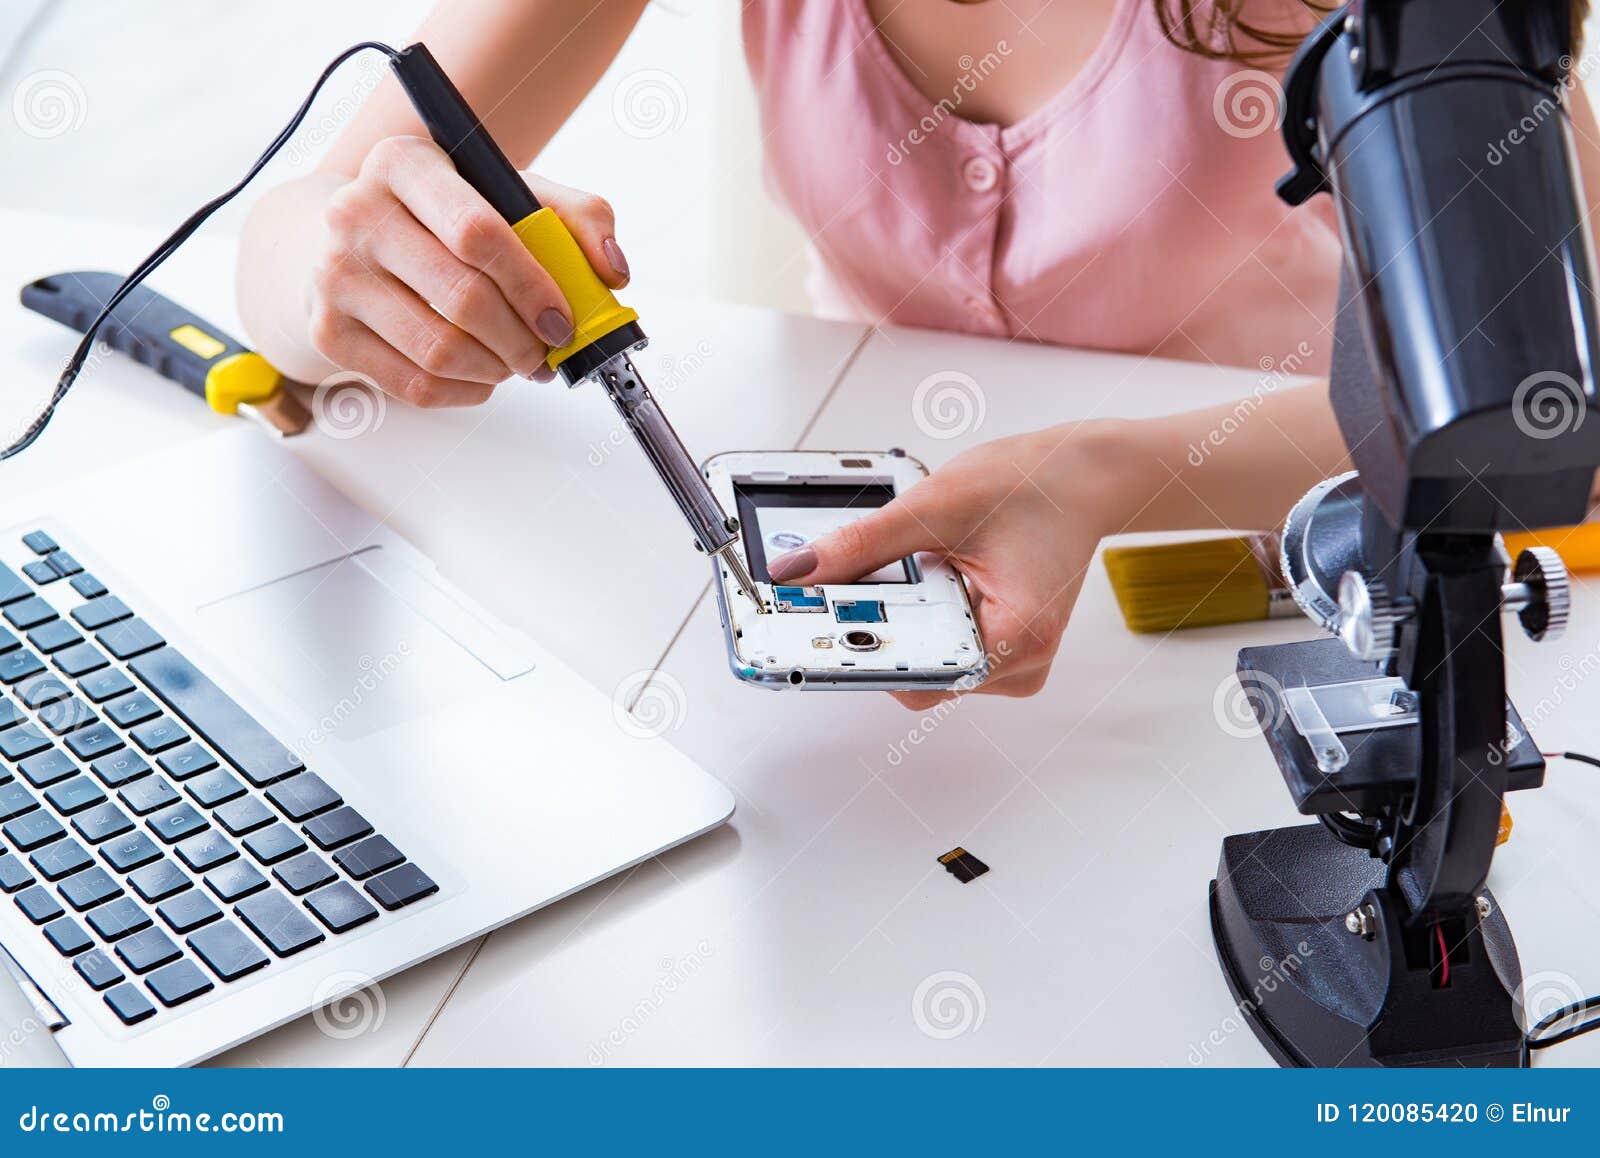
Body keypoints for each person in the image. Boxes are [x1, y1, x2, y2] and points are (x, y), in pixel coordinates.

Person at [238, 0, 1600, 706]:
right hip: (917, 586)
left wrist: (1105, 473)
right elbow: (293, 240)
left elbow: (1559, 414)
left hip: (1305, 593)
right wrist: (343, 275)